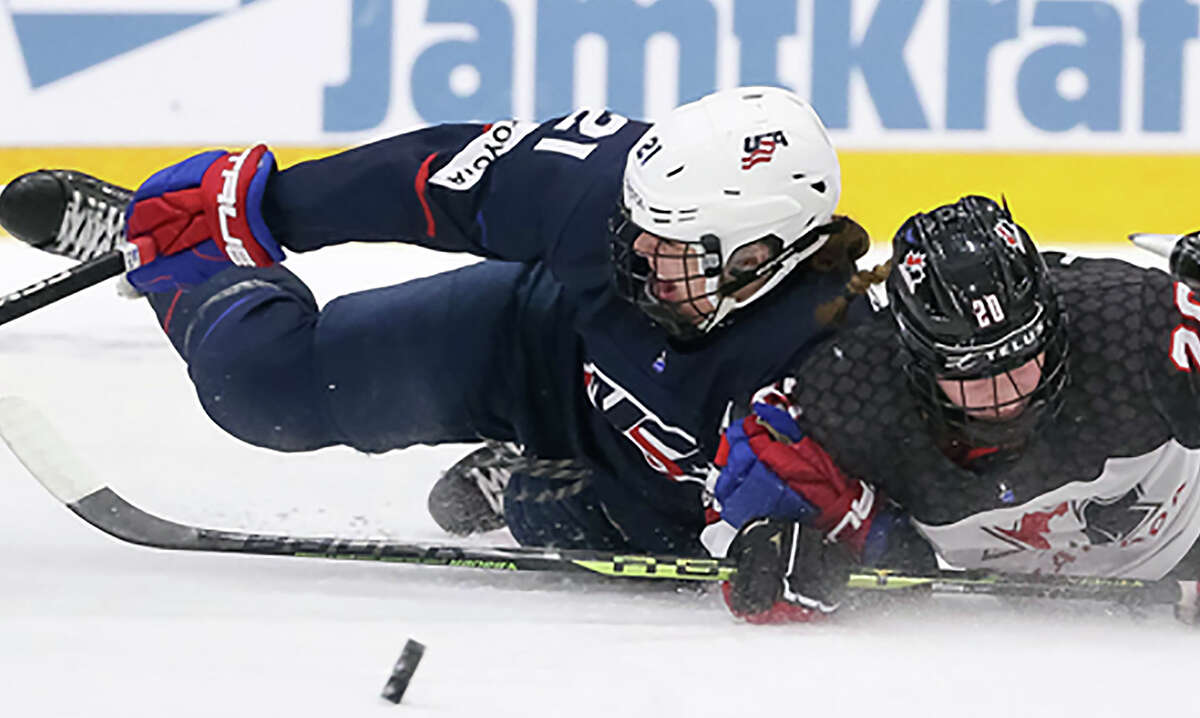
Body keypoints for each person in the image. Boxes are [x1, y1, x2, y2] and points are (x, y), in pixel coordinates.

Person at [52, 86, 871, 556]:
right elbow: (442, 179)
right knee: (256, 387)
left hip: (627, 485)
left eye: (676, 249)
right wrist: (262, 209)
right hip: (538, 343)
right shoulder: (605, 193)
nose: (636, 260)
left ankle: (527, 463)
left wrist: (608, 517)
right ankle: (164, 256)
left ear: (767, 256)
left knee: (548, 510)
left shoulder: (840, 373)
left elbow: (922, 515)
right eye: (637, 229)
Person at [713, 195, 1200, 624]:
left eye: (1021, 356)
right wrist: (766, 546)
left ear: (1054, 325)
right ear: (913, 363)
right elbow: (733, 504)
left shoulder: (1139, 327)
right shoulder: (849, 397)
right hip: (1022, 645)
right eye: (966, 371)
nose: (1003, 392)